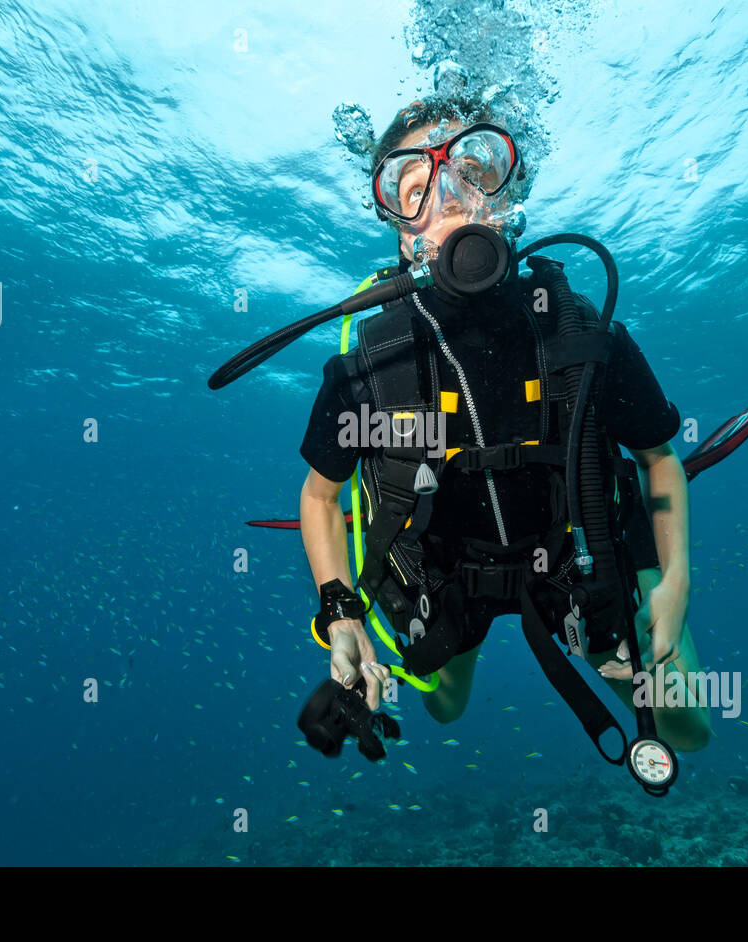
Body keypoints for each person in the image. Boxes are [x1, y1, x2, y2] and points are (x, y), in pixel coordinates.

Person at [297, 95, 711, 754]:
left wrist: (676, 582)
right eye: (416, 188)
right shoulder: (365, 369)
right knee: (447, 709)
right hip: (446, 573)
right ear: (401, 229)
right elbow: (320, 495)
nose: (451, 194)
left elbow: (658, 458)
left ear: (509, 193)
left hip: (576, 560)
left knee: (688, 728)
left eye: (475, 170)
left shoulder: (584, 329)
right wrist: (341, 612)